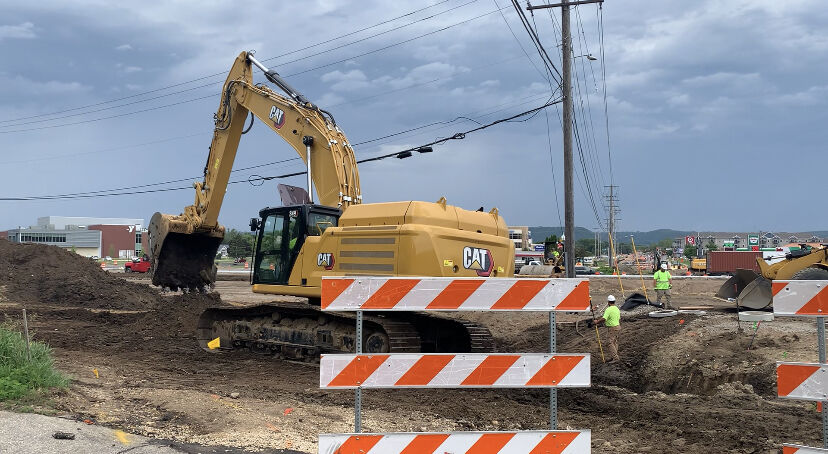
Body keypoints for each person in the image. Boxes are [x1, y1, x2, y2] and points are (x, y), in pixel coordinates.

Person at [593, 295, 621, 362]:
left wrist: (597, 322)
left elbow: (604, 318)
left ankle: (615, 358)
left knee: (609, 342)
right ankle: (613, 356)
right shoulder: (617, 308)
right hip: (618, 327)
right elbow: (618, 318)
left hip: (612, 328)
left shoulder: (608, 309)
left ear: (608, 302)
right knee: (614, 342)